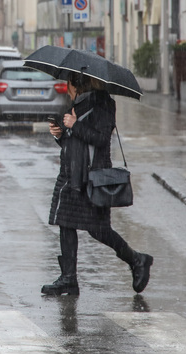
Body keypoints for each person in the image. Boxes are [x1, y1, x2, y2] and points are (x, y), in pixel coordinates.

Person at [43, 72, 153, 296]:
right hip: (71, 176)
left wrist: (75, 124)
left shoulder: (103, 104)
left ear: (78, 85)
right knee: (66, 223)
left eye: (69, 84)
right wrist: (60, 134)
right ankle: (68, 279)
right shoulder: (78, 104)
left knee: (99, 230)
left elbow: (100, 139)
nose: (67, 89)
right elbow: (74, 143)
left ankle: (137, 260)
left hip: (91, 177)